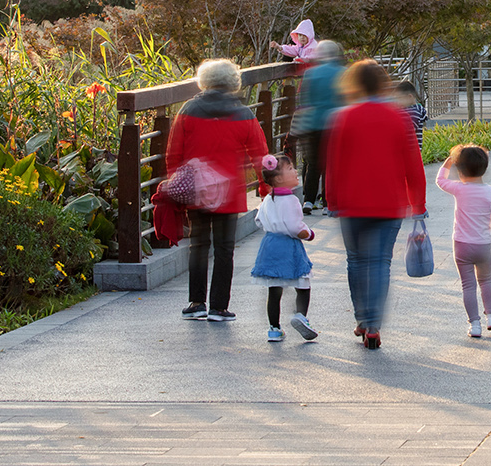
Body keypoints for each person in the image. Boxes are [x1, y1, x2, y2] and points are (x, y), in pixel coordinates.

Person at [322, 58, 427, 350]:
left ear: (352, 83)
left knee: (356, 260)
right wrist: (417, 202)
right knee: (380, 261)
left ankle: (362, 318)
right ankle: (374, 325)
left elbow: (334, 165)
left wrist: (332, 200)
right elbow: (412, 164)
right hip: (388, 201)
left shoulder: (342, 117)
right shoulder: (399, 117)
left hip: (352, 202)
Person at [153, 58, 268, 323]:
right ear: (232, 81)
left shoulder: (188, 109)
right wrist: (264, 185)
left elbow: (173, 152)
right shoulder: (244, 114)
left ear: (204, 80)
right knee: (225, 249)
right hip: (229, 192)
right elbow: (259, 154)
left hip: (196, 189)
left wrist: (176, 183)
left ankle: (196, 303)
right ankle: (219, 307)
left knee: (198, 246)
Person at [436, 144, 491, 338]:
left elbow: (440, 181)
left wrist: (448, 162)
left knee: (467, 285)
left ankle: (474, 325)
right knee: (486, 280)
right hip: (483, 245)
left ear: (459, 171)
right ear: (485, 168)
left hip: (461, 245)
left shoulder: (458, 189)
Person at [250, 154, 319, 343]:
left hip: (270, 245)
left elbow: (258, 220)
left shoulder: (267, 200)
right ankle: (300, 316)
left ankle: (274, 329)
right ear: (279, 178)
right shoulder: (290, 200)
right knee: (302, 282)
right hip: (288, 246)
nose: (295, 171)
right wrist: (308, 233)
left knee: (274, 288)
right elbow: (294, 227)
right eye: (290, 169)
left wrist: (272, 226)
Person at [292, 40, 346, 211]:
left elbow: (304, 100)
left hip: (313, 123)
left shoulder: (311, 74)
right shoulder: (343, 73)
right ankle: (328, 202)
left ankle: (308, 200)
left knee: (314, 163)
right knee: (332, 163)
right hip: (336, 123)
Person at [393, 79, 429, 149]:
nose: (397, 102)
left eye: (399, 98)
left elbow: (405, 130)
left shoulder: (413, 112)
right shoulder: (419, 109)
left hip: (410, 151)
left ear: (410, 97)